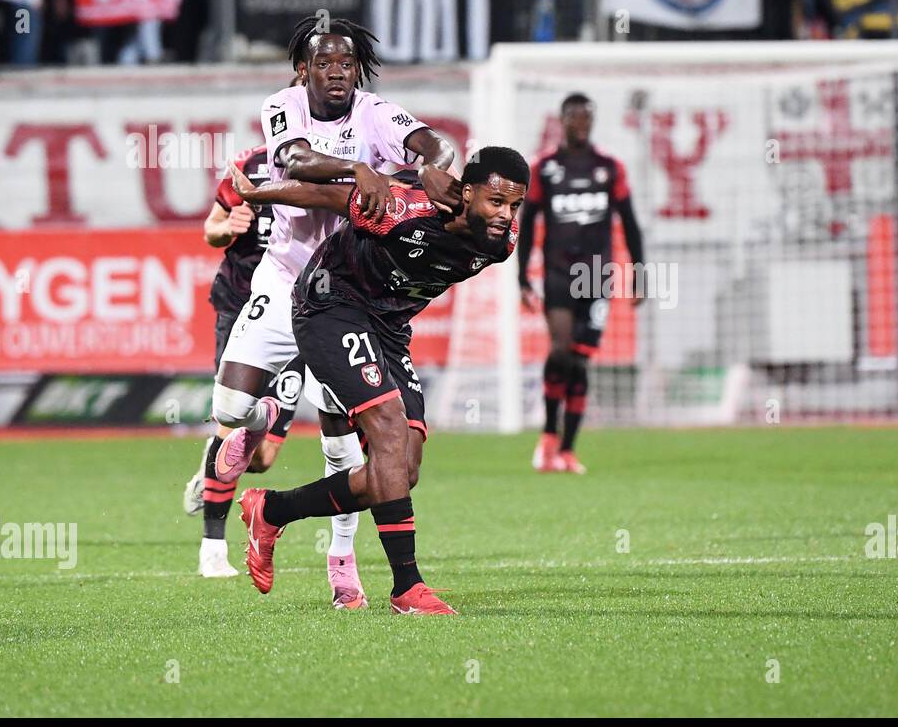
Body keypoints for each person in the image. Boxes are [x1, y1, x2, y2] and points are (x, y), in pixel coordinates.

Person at [201, 14, 461, 606]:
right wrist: (361, 168)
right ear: (304, 70)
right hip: (285, 270)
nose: (338, 72)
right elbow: (293, 160)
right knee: (229, 408)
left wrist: (425, 165)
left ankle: (343, 569)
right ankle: (265, 418)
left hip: (343, 291)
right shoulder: (282, 105)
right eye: (326, 63)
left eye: (347, 63)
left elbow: (435, 143)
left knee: (345, 443)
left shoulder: (375, 112)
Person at [230, 147, 529, 615]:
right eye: (495, 202)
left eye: (515, 205)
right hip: (330, 306)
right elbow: (318, 194)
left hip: (388, 328)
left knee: (402, 469)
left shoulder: (500, 243)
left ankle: (271, 511)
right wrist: (256, 192)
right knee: (388, 429)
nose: (505, 216)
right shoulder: (403, 209)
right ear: (467, 193)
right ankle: (407, 587)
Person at [186, 143, 306, 580]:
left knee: (263, 457)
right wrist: (229, 225)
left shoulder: (337, 167)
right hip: (242, 306)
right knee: (231, 424)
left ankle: (217, 456)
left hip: (300, 313)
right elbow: (212, 229)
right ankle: (212, 550)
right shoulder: (250, 166)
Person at [517, 93, 644, 474]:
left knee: (580, 359)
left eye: (587, 116)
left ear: (593, 120)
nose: (580, 123)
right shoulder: (545, 168)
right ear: (562, 120)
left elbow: (630, 222)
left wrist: (640, 271)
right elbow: (527, 224)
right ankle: (547, 436)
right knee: (560, 350)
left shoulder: (609, 167)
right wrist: (522, 276)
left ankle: (568, 450)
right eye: (574, 116)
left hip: (595, 274)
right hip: (558, 271)